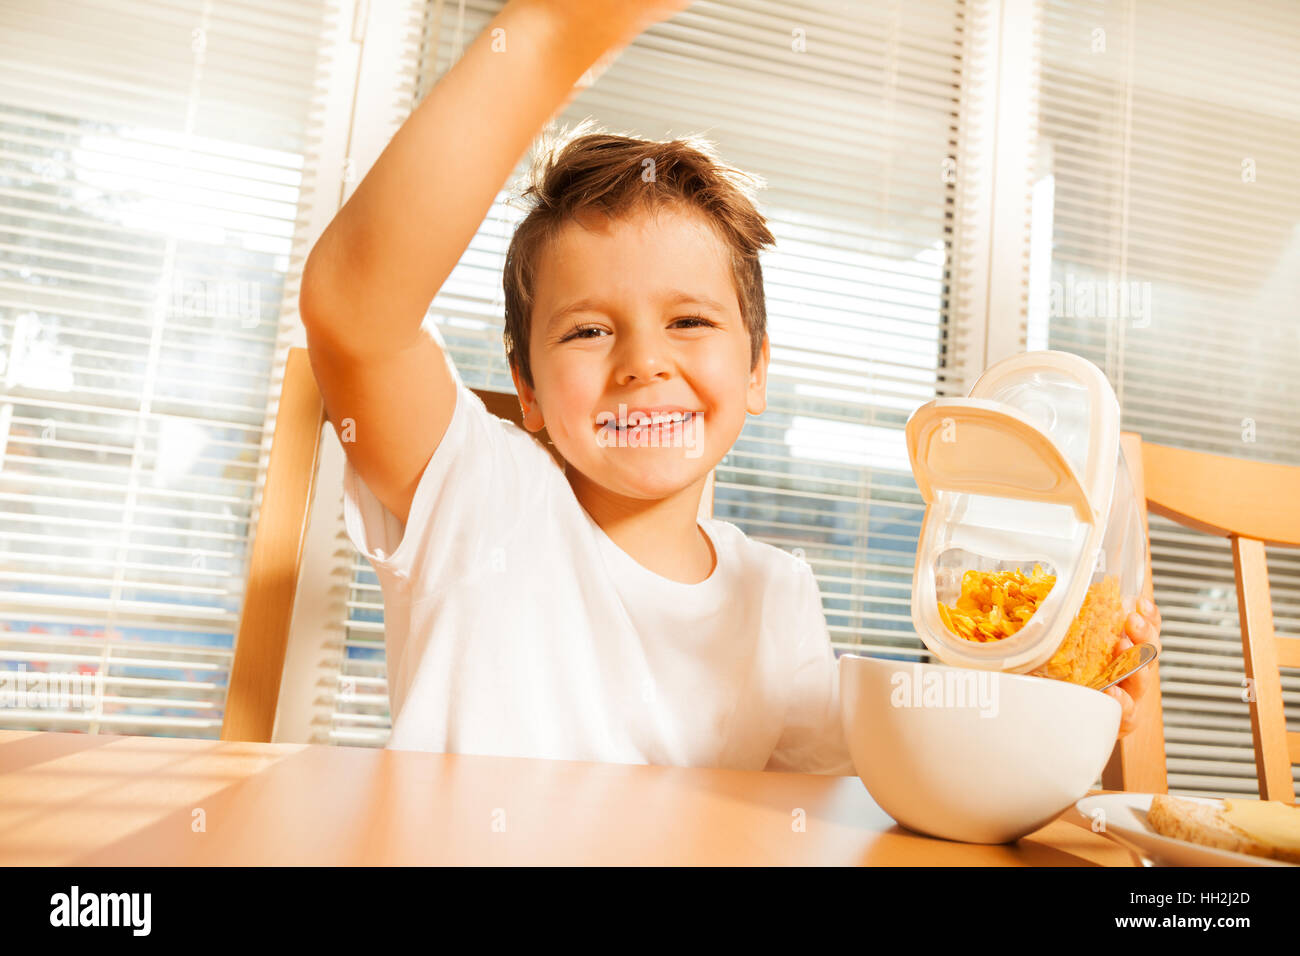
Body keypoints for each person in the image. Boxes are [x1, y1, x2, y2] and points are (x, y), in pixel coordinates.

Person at [299, 0, 1162, 772]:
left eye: (690, 322)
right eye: (589, 330)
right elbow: (351, 311)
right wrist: (548, 31)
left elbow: (863, 804)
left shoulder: (776, 596)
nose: (644, 362)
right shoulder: (478, 495)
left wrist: (1055, 691)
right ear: (525, 388)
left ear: (755, 372)